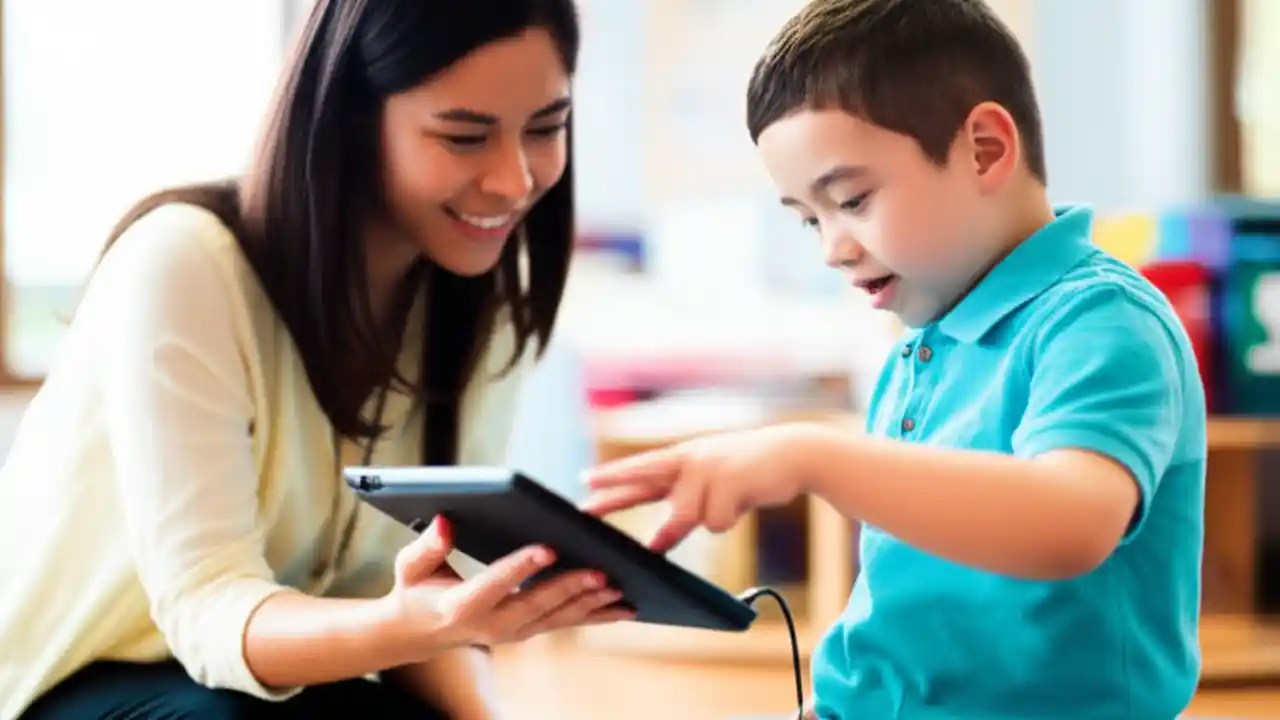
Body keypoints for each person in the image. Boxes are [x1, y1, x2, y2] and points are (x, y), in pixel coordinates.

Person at [0, 1, 634, 718]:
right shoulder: (185, 264)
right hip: (78, 680)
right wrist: (416, 623)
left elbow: (406, 601)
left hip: (287, 677)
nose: (515, 181)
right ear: (352, 120)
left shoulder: (479, 301)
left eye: (546, 128)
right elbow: (209, 611)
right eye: (464, 136)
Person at [583, 1, 1207, 718]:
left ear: (984, 150)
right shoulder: (918, 347)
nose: (832, 247)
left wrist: (813, 455)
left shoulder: (1100, 321)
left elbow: (1072, 520)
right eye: (809, 218)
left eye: (851, 200)